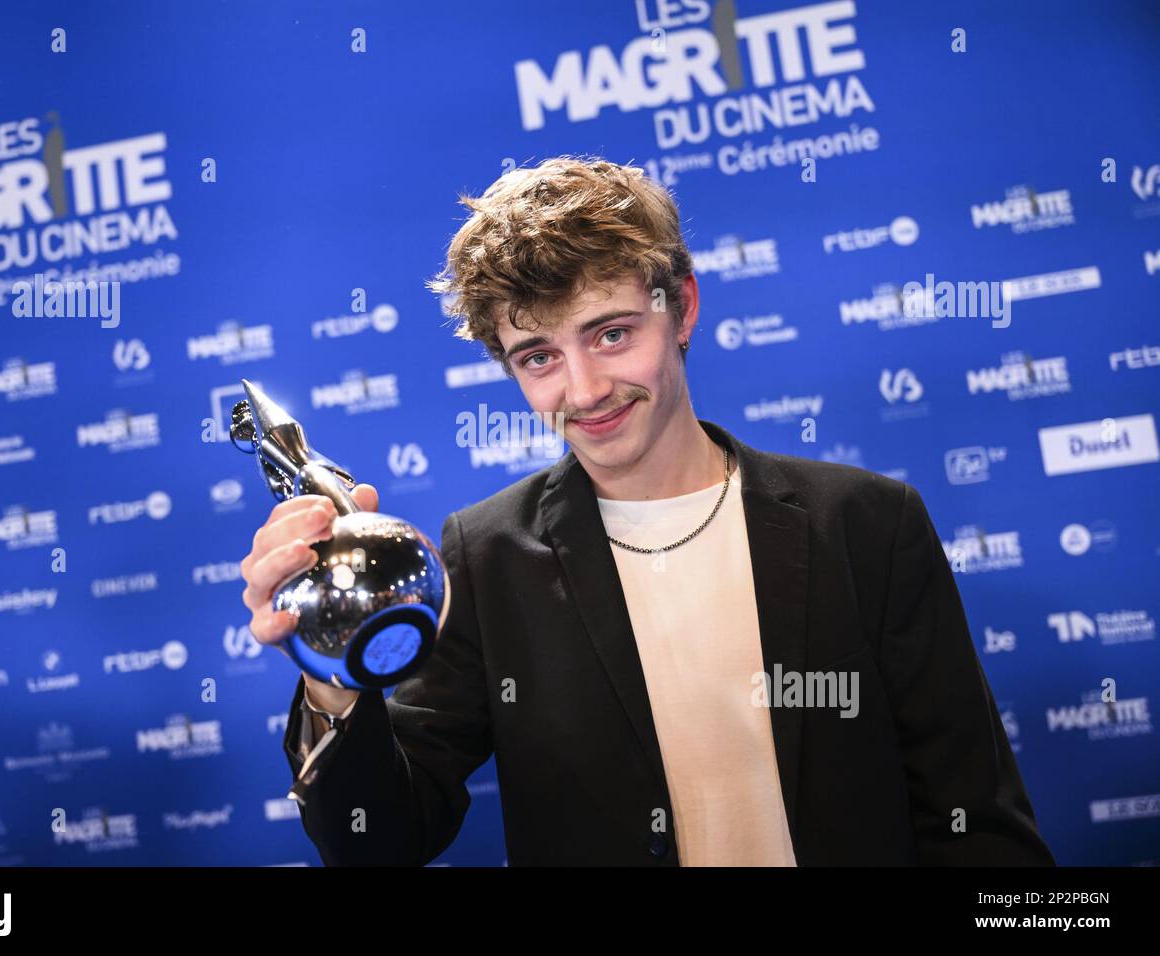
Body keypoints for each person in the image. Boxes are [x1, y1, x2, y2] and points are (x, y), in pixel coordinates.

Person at [239, 156, 1055, 866]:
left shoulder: (867, 525)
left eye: (611, 333)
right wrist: (335, 680)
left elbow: (976, 827)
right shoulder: (484, 559)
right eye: (539, 356)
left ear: (684, 308)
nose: (585, 391)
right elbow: (383, 841)